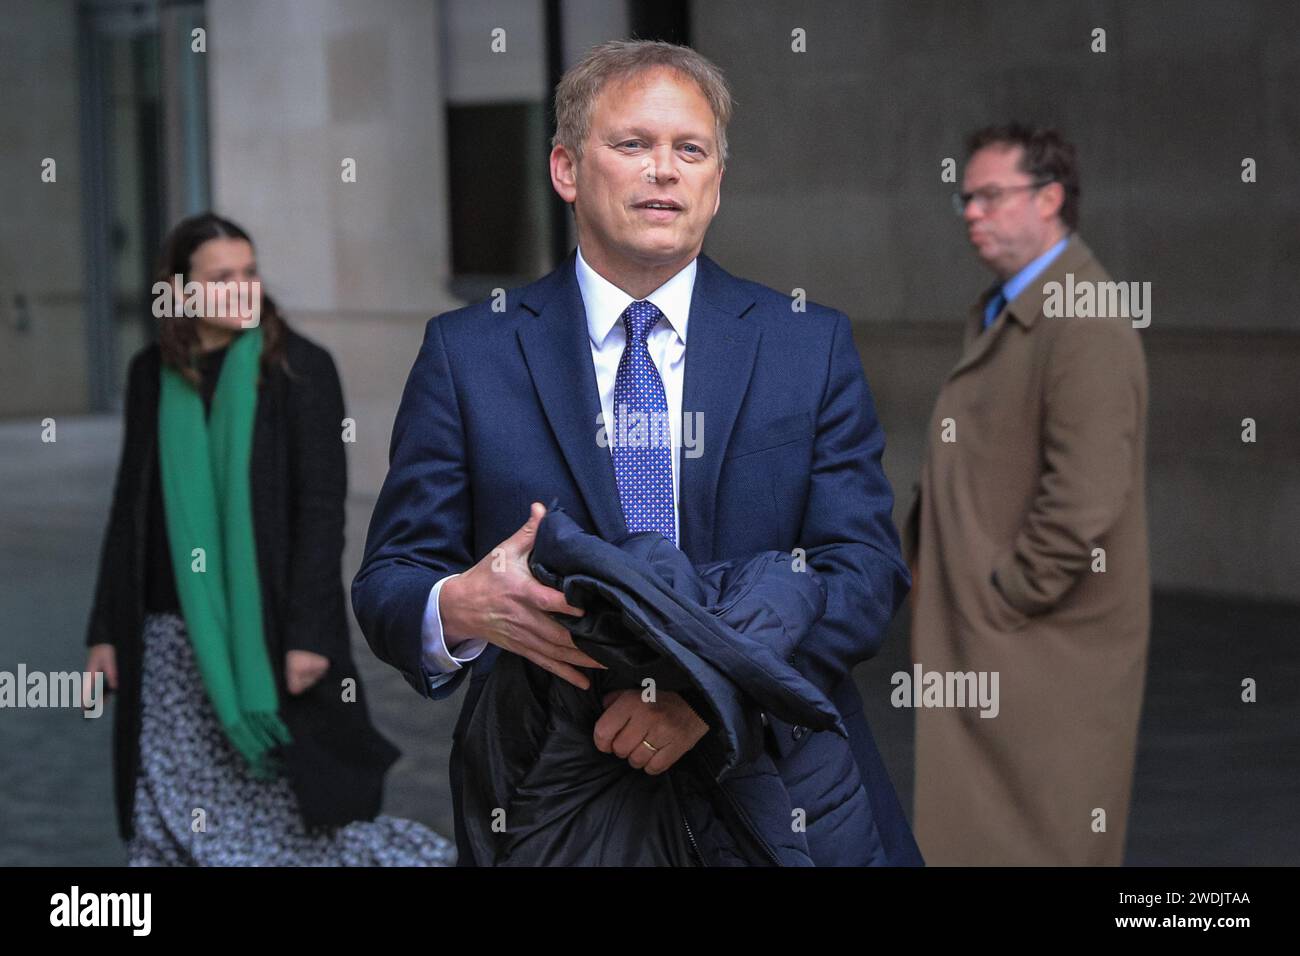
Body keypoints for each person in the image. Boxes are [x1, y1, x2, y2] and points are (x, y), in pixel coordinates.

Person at [352, 40, 921, 866]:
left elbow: (864, 569)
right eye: (632, 144)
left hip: (776, 793)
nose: (665, 170)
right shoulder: (468, 353)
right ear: (566, 169)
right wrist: (459, 607)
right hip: (555, 799)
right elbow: (391, 579)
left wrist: (708, 694)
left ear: (716, 183)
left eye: (690, 149)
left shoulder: (810, 345)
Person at [84, 212, 453, 866]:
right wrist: (106, 632)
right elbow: (128, 513)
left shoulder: (299, 369)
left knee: (296, 823)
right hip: (168, 639)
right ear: (181, 290)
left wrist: (311, 634)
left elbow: (321, 510)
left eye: (249, 272)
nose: (242, 287)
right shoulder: (152, 375)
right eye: (221, 277)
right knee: (166, 803)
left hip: (268, 629)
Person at [905, 124, 1150, 865]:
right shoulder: (1010, 305)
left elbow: (1084, 497)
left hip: (1039, 652)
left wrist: (1005, 596)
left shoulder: (1085, 316)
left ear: (1049, 200)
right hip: (1001, 644)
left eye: (990, 195)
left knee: (1041, 837)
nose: (972, 212)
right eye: (965, 198)